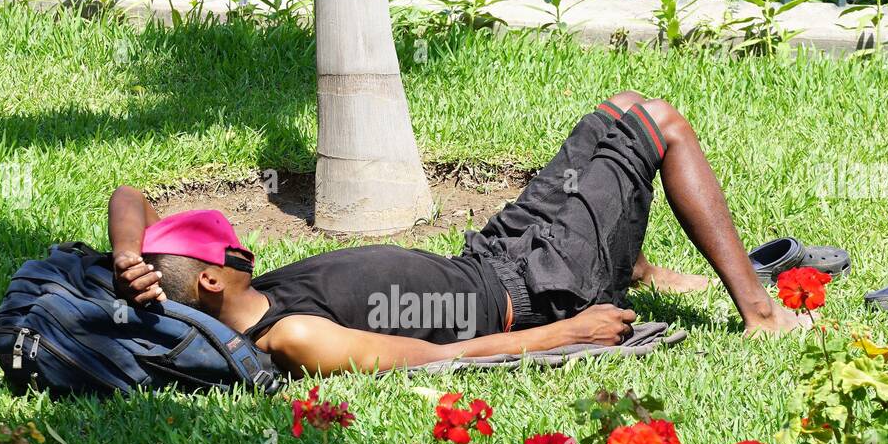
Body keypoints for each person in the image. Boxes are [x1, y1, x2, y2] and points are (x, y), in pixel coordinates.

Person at [106, 92, 807, 376]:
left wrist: (129, 253)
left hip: (492, 257)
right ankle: (762, 314)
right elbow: (436, 358)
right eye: (231, 248)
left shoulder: (249, 297)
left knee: (616, 110)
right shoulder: (295, 335)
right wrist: (558, 337)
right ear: (208, 279)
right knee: (659, 121)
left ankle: (636, 265)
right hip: (538, 290)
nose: (246, 247)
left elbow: (127, 192)